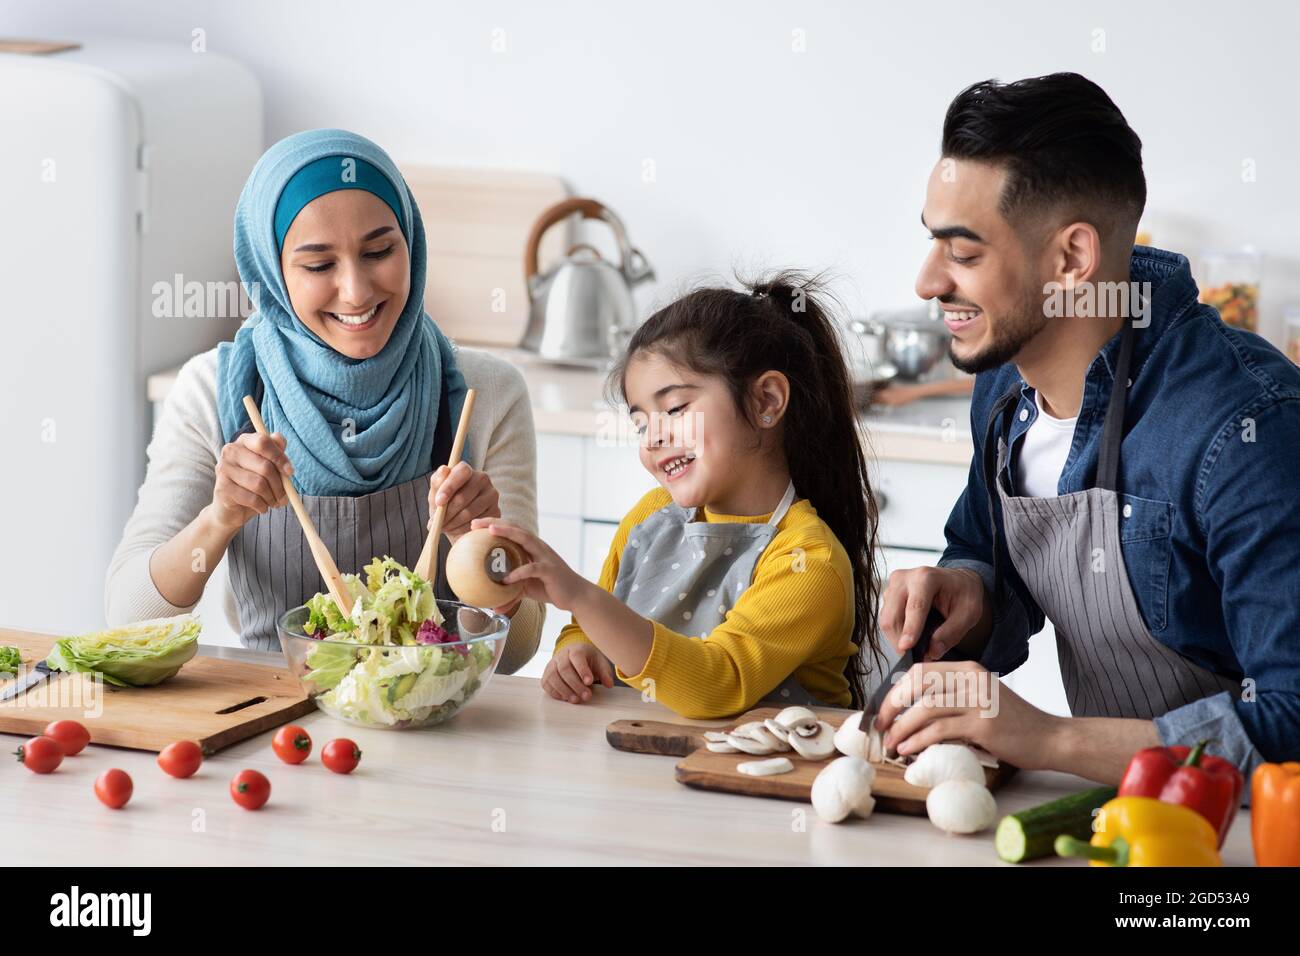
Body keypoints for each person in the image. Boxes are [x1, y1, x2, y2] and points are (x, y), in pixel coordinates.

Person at [878, 73, 1300, 787]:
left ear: (1072, 260)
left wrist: (1048, 739)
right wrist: (968, 596)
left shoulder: (1246, 431)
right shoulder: (1005, 384)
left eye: (964, 253)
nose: (926, 282)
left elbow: (1292, 726)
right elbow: (987, 553)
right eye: (933, 244)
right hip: (1121, 817)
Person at [106, 129, 542, 671]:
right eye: (318, 266)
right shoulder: (214, 391)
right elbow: (129, 616)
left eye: (380, 251)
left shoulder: (486, 393)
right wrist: (219, 519)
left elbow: (516, 652)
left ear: (412, 244)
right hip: (270, 724)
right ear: (272, 271)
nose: (356, 291)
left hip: (438, 716)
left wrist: (478, 549)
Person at [478, 273, 884, 719]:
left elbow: (717, 682)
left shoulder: (809, 560)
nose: (653, 438)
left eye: (674, 409)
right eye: (640, 423)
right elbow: (590, 626)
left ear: (766, 400)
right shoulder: (650, 518)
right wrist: (577, 651)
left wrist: (577, 594)